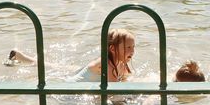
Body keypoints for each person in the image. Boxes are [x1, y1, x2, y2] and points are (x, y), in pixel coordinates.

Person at [8, 29, 136, 83]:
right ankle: (23, 61)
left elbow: (124, 80)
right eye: (128, 47)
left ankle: (22, 57)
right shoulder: (106, 65)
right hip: (70, 85)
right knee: (53, 72)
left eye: (133, 47)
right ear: (113, 49)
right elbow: (113, 93)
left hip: (87, 73)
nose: (132, 51)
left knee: (57, 67)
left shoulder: (120, 62)